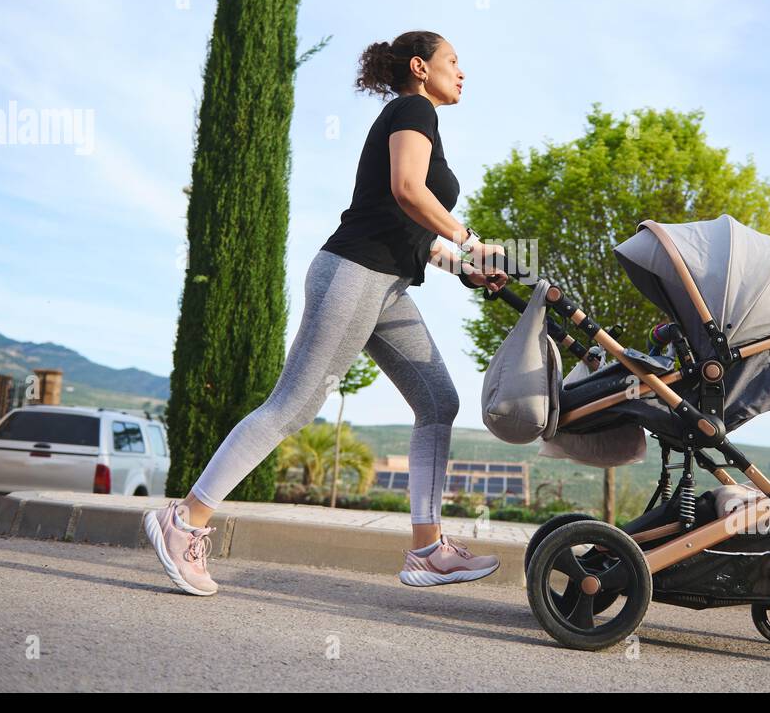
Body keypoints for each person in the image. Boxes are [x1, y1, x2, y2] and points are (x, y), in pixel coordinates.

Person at [145, 30, 511, 596]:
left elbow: (408, 229)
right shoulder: (413, 109)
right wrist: (471, 240)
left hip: (387, 286)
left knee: (439, 402)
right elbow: (407, 189)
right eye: (453, 61)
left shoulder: (420, 121)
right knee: (293, 404)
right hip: (353, 274)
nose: (462, 72)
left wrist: (466, 267)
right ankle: (184, 520)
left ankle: (427, 550)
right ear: (420, 67)